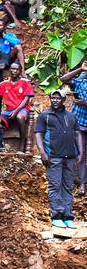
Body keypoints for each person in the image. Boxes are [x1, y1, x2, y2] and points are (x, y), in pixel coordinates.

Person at [35, 89, 81, 229]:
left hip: (70, 156)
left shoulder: (71, 116)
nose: (55, 100)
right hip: (53, 156)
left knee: (67, 186)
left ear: (63, 100)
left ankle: (68, 216)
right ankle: (56, 216)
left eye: (58, 98)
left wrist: (80, 151)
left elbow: (77, 133)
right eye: (53, 98)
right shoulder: (45, 116)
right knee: (55, 186)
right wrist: (43, 153)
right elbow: (38, 134)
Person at [60, 63, 87, 192]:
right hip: (80, 125)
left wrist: (85, 103)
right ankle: (82, 184)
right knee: (81, 155)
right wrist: (80, 69)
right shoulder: (80, 84)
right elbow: (64, 79)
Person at [0, 62, 35, 153]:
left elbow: (26, 99)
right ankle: (0, 145)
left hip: (22, 109)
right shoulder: (4, 84)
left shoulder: (25, 82)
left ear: (20, 71)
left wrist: (16, 111)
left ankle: (22, 145)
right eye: (12, 69)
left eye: (16, 69)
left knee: (20, 117)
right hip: (8, 111)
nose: (14, 71)